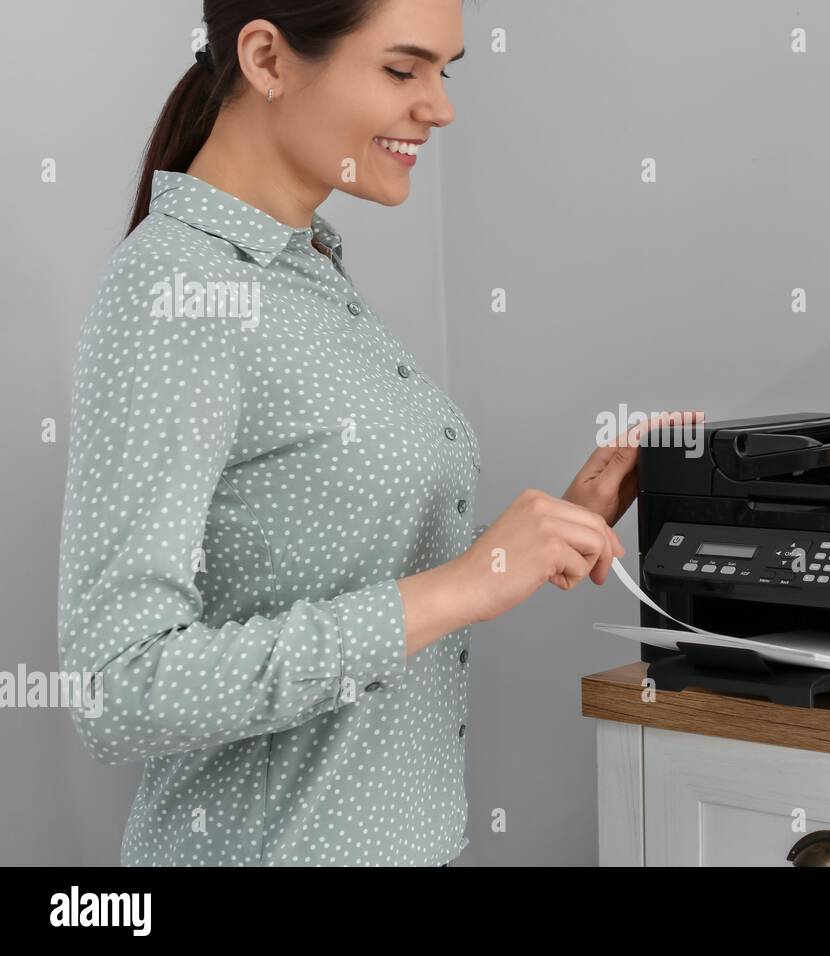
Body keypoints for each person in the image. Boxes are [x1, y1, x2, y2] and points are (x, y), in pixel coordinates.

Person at [55, 0, 702, 866]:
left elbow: (341, 576)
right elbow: (117, 689)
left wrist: (555, 523)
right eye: (403, 70)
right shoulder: (176, 292)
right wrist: (467, 583)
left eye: (447, 70)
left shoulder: (307, 265)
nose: (441, 106)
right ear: (267, 59)